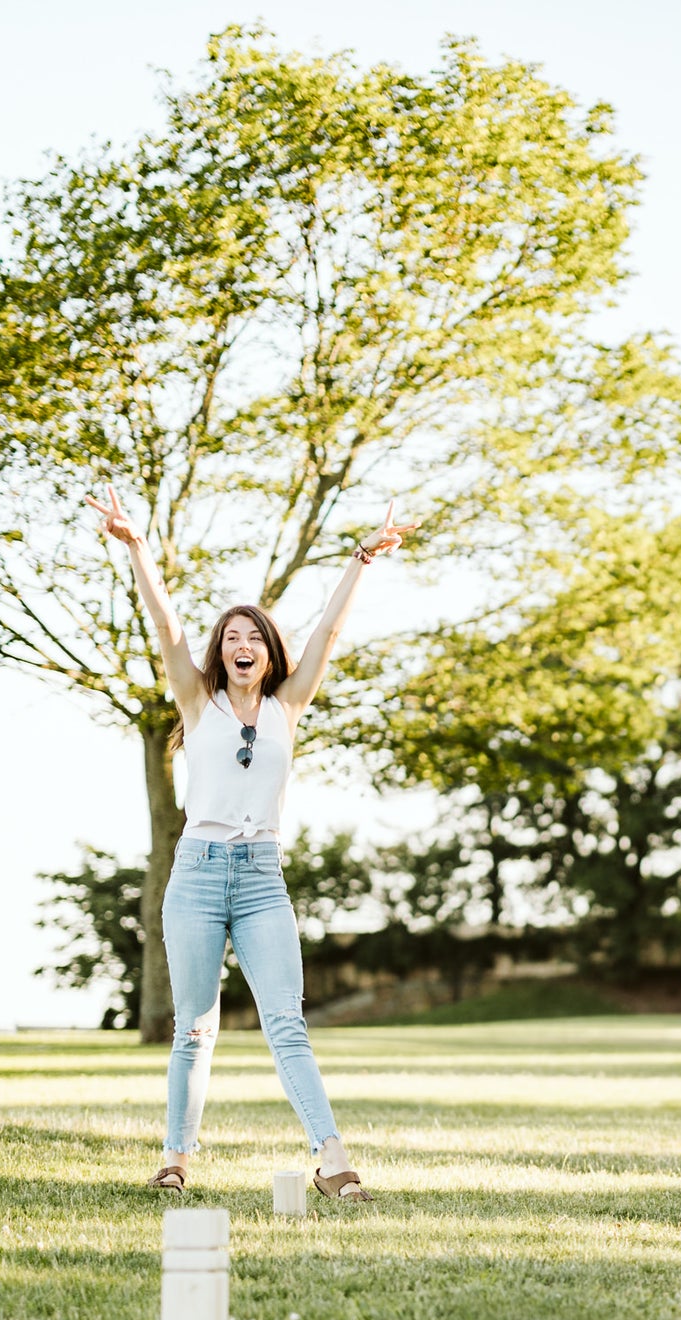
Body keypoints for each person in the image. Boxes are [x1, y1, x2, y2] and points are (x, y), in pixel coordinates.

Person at [85, 488, 418, 1202]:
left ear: (270, 654)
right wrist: (137, 547)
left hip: (263, 876)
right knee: (194, 1029)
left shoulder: (286, 708)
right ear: (221, 651)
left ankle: (333, 1160)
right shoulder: (196, 703)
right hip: (199, 875)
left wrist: (361, 559)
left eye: (255, 637)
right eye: (232, 636)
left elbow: (327, 636)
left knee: (286, 1024)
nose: (243, 646)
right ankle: (176, 1158)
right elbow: (168, 629)